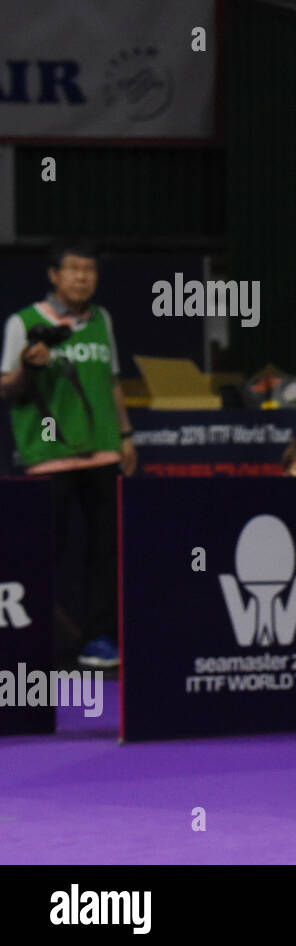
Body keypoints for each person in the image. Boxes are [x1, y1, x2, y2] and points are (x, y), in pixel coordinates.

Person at [0, 240, 137, 669]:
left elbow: (113, 381)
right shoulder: (23, 323)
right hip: (48, 456)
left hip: (102, 455)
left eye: (89, 270)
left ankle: (99, 641)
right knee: (44, 552)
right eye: (74, 269)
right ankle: (43, 642)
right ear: (54, 275)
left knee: (107, 553)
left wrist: (126, 435)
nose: (82, 277)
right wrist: (29, 368)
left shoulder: (102, 320)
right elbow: (5, 387)